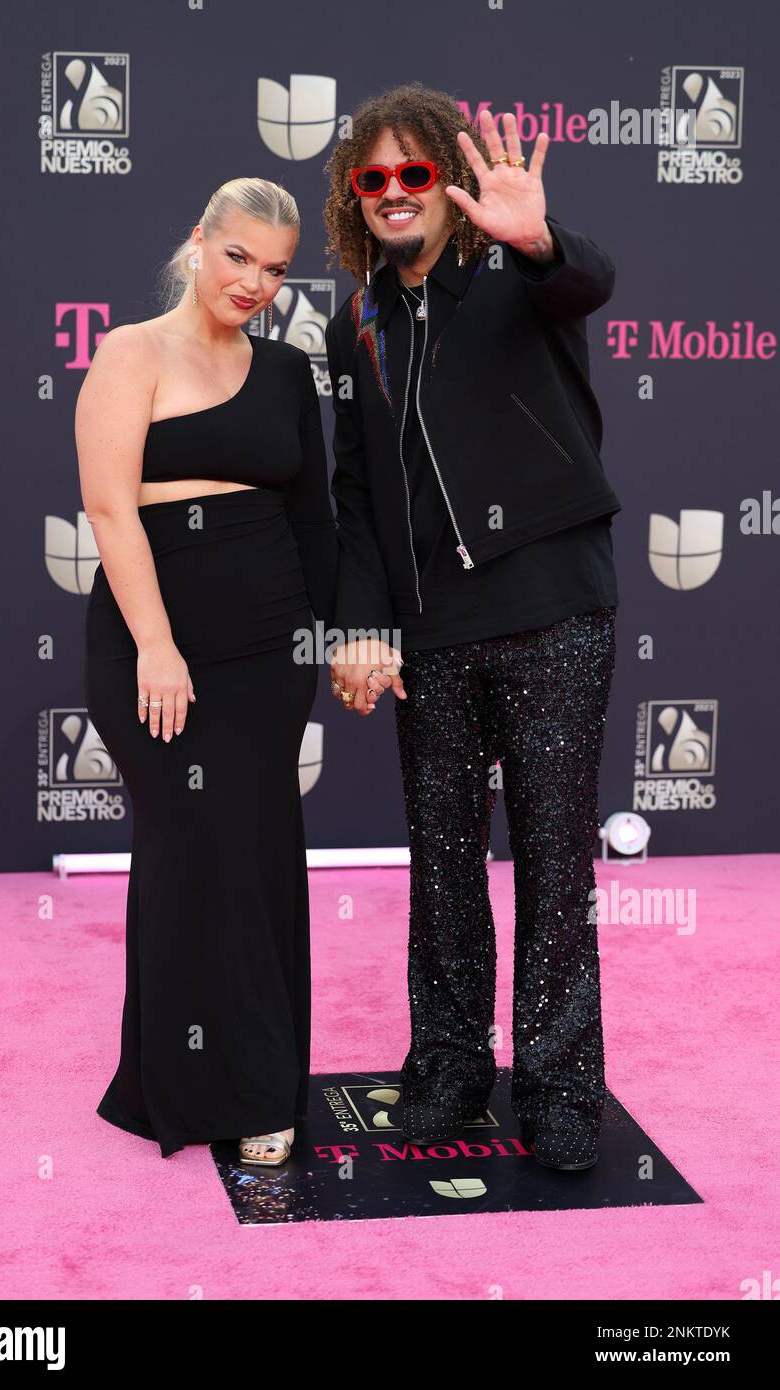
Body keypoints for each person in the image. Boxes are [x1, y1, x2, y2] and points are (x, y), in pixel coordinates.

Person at [323, 83, 622, 1171]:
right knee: (440, 857)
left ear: (450, 182)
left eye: (414, 173)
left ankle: (555, 1083)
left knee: (551, 856)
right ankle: (447, 1063)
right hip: (429, 625)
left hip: (548, 600)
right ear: (355, 197)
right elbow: (354, 494)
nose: (395, 192)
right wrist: (363, 625)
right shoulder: (351, 315)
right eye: (374, 178)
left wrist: (536, 236)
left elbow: (587, 279)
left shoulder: (514, 268)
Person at [78, 178, 336, 1166]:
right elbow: (108, 508)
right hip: (153, 651)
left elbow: (310, 518)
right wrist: (156, 644)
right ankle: (190, 1083)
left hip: (266, 659)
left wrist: (346, 635)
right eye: (239, 257)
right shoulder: (130, 351)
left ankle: (251, 1083)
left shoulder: (284, 371)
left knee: (257, 855)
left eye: (274, 268)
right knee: (195, 851)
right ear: (198, 243)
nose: (254, 282)